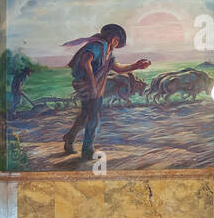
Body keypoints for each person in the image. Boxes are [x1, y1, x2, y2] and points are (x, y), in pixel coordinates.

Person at [62, 23, 150, 160]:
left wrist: (136, 66)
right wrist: (92, 84)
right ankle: (87, 150)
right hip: (90, 88)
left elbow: (118, 68)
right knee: (94, 117)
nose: (117, 43)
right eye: (117, 40)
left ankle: (69, 137)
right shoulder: (98, 46)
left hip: (96, 89)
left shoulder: (108, 52)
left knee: (85, 116)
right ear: (113, 38)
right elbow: (85, 62)